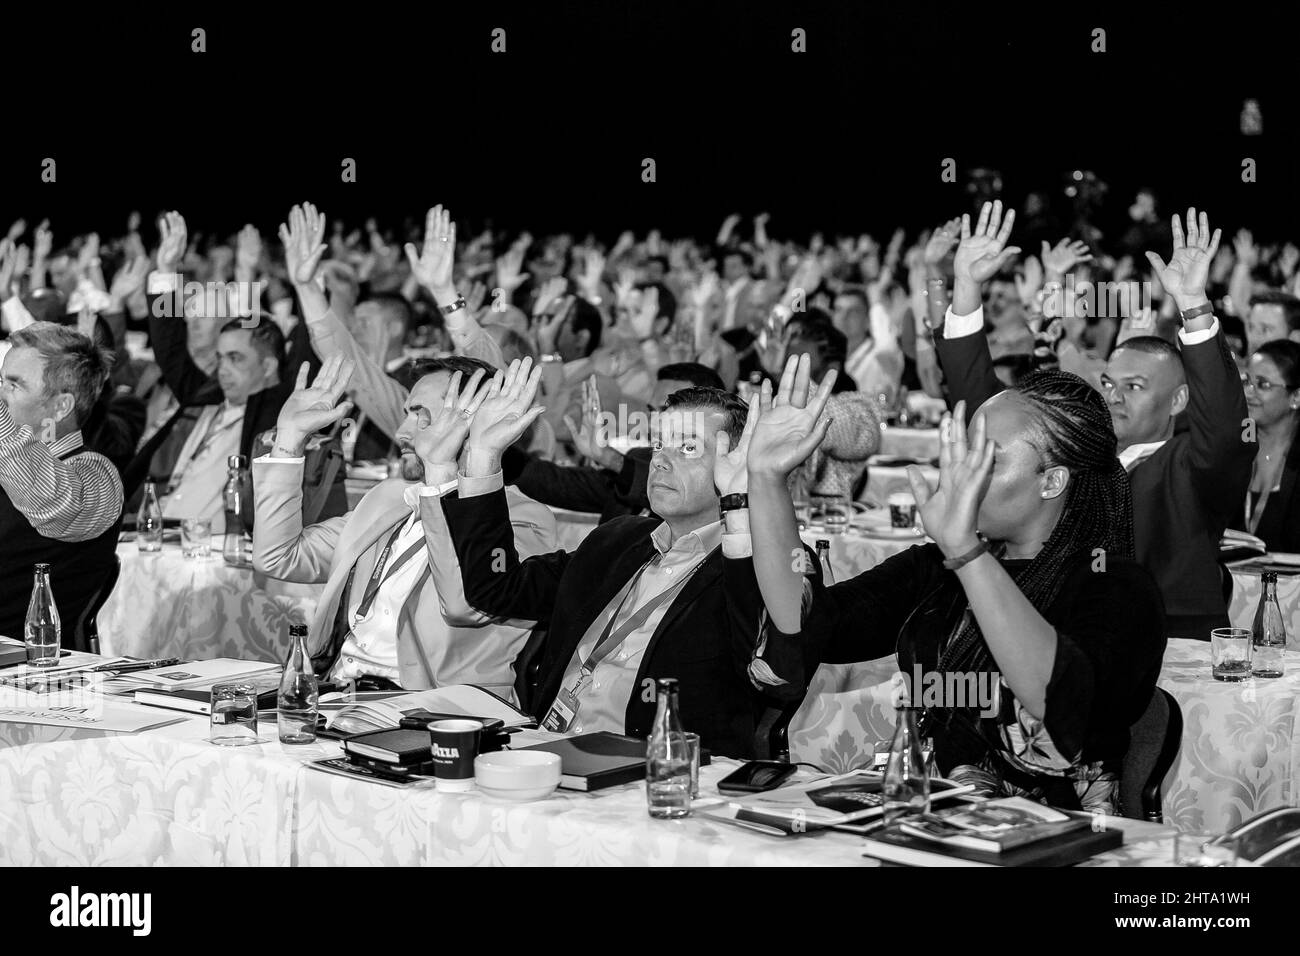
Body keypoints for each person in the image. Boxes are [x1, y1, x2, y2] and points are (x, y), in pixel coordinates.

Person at [746, 354, 1164, 812]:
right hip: (925, 813)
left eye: (984, 457)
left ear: (1052, 481)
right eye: (960, 450)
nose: (958, 471)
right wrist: (766, 481)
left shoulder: (1115, 587)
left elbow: (1057, 699)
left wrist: (967, 553)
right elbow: (805, 624)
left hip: (1049, 835)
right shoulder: (939, 568)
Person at [439, 358, 808, 757]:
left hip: (655, 775)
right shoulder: (617, 540)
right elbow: (494, 590)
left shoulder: (759, 566)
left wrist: (745, 502)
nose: (661, 461)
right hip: (547, 749)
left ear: (740, 463)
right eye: (658, 445)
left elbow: (776, 672)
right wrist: (483, 457)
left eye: (687, 448)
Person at [936, 203, 1253, 640]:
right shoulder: (1078, 450)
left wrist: (1194, 306)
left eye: (1135, 386)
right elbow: (988, 407)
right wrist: (967, 288)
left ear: (1178, 400)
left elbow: (1223, 428)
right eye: (1108, 381)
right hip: (1063, 643)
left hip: (1173, 654)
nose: (1113, 395)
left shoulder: (1190, 469)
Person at [252, 353, 556, 696]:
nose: (400, 432)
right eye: (406, 414)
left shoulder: (522, 517)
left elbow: (468, 606)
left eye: (421, 416)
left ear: (474, 422)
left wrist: (441, 476)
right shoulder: (390, 499)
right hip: (340, 691)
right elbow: (278, 556)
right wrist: (288, 440)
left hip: (437, 710)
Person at [0, 322, 124, 640]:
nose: (1, 395)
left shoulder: (97, 478)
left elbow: (51, 502)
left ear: (61, 406)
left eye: (13, 386)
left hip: (29, 672)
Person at [1233, 339, 1300, 549]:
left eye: (1263, 385)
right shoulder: (1233, 449)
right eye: (1246, 382)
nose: (1248, 392)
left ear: (1296, 397)